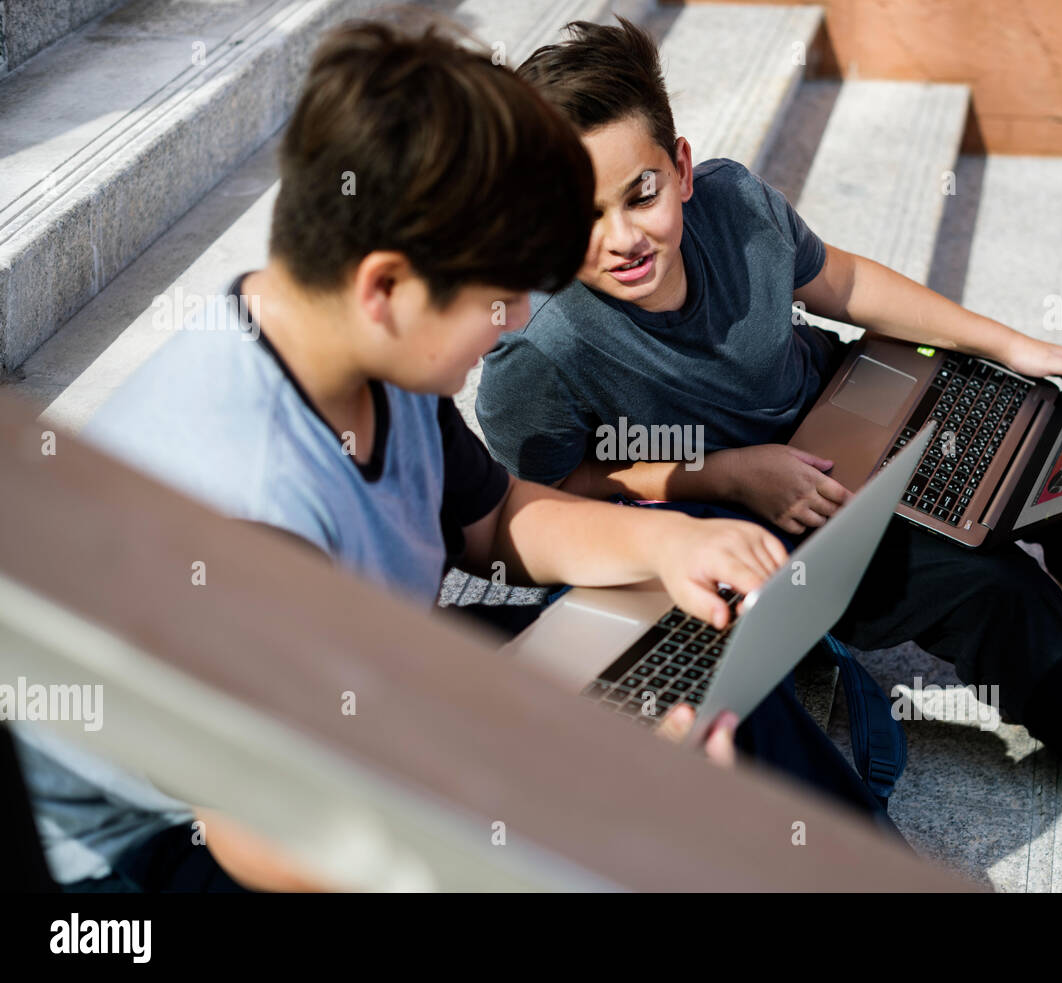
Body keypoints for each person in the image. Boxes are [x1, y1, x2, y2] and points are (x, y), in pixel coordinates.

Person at [474, 16, 1062, 893]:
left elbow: (844, 282)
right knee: (998, 590)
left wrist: (1006, 345)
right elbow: (543, 493)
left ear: (678, 167)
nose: (619, 236)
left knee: (1060, 440)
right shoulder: (540, 346)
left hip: (858, 400)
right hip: (779, 519)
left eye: (639, 193)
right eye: (579, 214)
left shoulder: (732, 201)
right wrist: (728, 471)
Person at [12, 14, 788, 893]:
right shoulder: (244, 502)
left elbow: (490, 518)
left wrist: (667, 540)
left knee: (679, 646)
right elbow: (266, 835)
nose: (522, 319)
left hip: (355, 696)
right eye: (498, 296)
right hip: (156, 849)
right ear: (384, 286)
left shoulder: (356, 350)